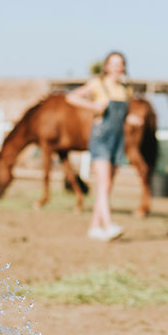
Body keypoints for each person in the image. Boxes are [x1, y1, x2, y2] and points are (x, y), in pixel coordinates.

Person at [66, 52, 132, 242]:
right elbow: (71, 98)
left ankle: (94, 227)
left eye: (120, 64)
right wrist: (93, 106)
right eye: (113, 64)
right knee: (103, 183)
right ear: (107, 66)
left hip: (118, 139)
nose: (117, 67)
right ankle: (108, 224)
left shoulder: (126, 90)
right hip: (101, 137)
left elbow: (121, 115)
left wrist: (131, 119)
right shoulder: (98, 84)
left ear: (124, 67)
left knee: (108, 185)